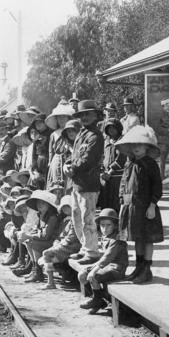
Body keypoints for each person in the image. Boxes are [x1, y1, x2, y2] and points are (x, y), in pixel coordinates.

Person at [116, 125, 164, 285]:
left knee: (148, 239)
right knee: (137, 239)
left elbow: (157, 186)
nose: (137, 148)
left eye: (140, 145)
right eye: (134, 145)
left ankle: (147, 269)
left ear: (147, 147)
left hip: (146, 208)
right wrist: (122, 202)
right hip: (132, 207)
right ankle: (138, 267)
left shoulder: (150, 164)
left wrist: (152, 205)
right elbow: (123, 183)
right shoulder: (129, 163)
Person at [63, 100, 104, 265]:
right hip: (77, 183)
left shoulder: (95, 135)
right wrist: (67, 164)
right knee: (76, 218)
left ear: (95, 115)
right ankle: (84, 247)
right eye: (81, 115)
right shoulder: (81, 133)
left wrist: (72, 167)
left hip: (88, 183)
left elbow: (88, 159)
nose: (84, 117)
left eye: (88, 114)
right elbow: (75, 155)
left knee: (88, 219)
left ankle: (92, 251)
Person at [77, 208, 128, 314]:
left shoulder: (116, 240)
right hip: (107, 266)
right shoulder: (106, 236)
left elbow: (107, 258)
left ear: (114, 225)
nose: (105, 228)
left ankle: (97, 300)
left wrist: (94, 270)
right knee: (82, 275)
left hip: (116, 269)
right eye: (102, 225)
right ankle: (97, 299)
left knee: (94, 276)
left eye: (108, 225)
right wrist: (91, 268)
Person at [39, 195, 80, 289]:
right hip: (66, 244)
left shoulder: (76, 219)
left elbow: (72, 237)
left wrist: (59, 243)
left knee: (46, 254)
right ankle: (62, 271)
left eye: (68, 206)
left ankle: (51, 283)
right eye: (64, 206)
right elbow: (60, 234)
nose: (66, 208)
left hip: (74, 245)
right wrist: (57, 241)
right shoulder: (64, 219)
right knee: (42, 260)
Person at [20, 190, 61, 284]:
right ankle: (35, 270)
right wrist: (29, 233)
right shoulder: (41, 215)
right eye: (38, 203)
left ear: (49, 205)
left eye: (43, 203)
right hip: (47, 239)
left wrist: (29, 235)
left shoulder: (52, 217)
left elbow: (46, 235)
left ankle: (38, 273)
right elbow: (38, 229)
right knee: (28, 242)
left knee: (34, 243)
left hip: (54, 241)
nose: (40, 204)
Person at [45, 101, 75, 194]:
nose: (61, 119)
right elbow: (51, 152)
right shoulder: (54, 134)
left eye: (63, 116)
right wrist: (50, 163)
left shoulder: (72, 131)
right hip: (56, 161)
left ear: (68, 118)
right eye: (59, 117)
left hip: (68, 160)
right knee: (56, 185)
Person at [99, 119, 127, 212]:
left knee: (116, 202)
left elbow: (121, 158)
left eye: (113, 127)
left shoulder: (122, 141)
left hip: (117, 177)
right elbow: (102, 157)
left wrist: (111, 171)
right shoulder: (106, 141)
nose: (111, 130)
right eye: (109, 128)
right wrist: (102, 171)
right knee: (106, 202)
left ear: (118, 128)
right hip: (106, 177)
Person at [28, 113, 52, 190]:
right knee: (40, 186)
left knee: (49, 185)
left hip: (48, 163)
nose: (38, 124)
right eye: (36, 123)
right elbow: (34, 155)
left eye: (40, 122)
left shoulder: (50, 134)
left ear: (45, 123)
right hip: (39, 164)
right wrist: (35, 170)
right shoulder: (37, 137)